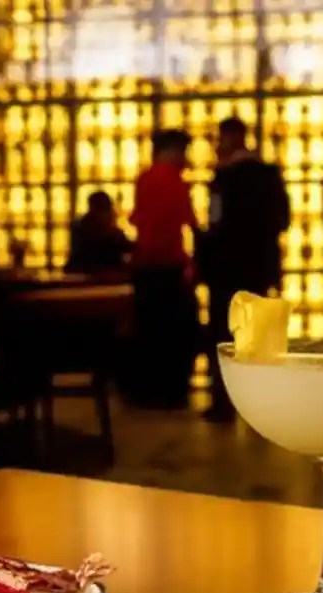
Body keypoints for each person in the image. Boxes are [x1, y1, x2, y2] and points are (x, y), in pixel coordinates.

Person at [198, 117, 289, 421]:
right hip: (259, 266)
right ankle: (261, 403)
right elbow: (283, 219)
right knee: (259, 335)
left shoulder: (224, 178)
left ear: (228, 139)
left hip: (226, 268)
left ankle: (224, 402)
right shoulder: (268, 174)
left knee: (225, 335)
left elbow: (215, 222)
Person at [127, 129, 200, 409]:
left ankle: (148, 390)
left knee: (149, 331)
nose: (185, 158)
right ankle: (170, 390)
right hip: (167, 267)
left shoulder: (145, 178)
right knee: (174, 333)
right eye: (182, 152)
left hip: (146, 266)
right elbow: (184, 222)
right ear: (170, 151)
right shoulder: (171, 180)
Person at [66, 190, 132, 274]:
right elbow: (125, 247)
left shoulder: (79, 226)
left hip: (79, 273)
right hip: (107, 275)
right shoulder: (112, 234)